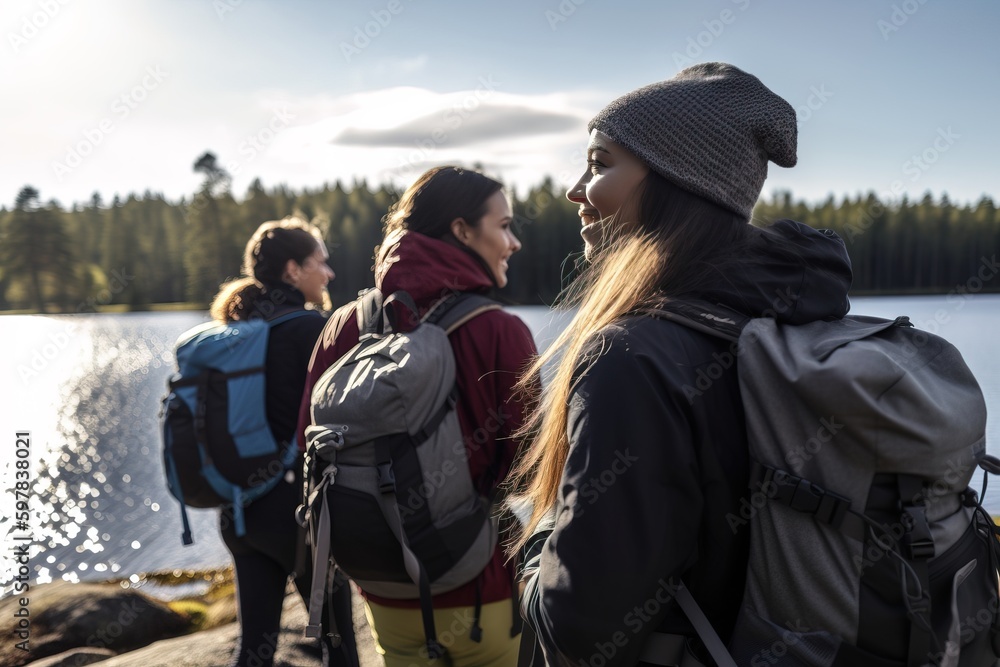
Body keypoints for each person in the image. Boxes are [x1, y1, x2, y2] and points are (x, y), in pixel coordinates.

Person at [509, 63, 854, 666]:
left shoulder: (631, 358)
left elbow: (581, 629)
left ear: (675, 179)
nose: (574, 190)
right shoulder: (785, 326)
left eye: (599, 162)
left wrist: (538, 536)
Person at [297, 165, 539, 667]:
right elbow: (530, 470)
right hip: (479, 590)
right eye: (504, 226)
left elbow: (309, 439)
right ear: (462, 231)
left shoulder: (346, 324)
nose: (513, 242)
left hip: (383, 588)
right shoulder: (497, 329)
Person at [211, 216, 357, 667]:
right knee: (339, 645)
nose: (328, 273)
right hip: (299, 514)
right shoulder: (314, 330)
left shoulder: (234, 332)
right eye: (320, 262)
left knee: (254, 647)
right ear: (293, 270)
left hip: (240, 509)